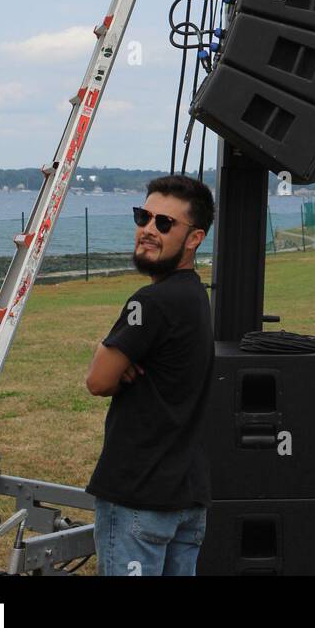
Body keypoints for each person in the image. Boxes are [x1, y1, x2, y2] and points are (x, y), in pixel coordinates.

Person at [85, 174, 215, 576]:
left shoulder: (151, 302)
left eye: (164, 224)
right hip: (185, 498)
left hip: (139, 496)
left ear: (194, 238)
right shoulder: (194, 295)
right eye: (144, 217)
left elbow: (97, 381)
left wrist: (118, 361)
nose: (147, 230)